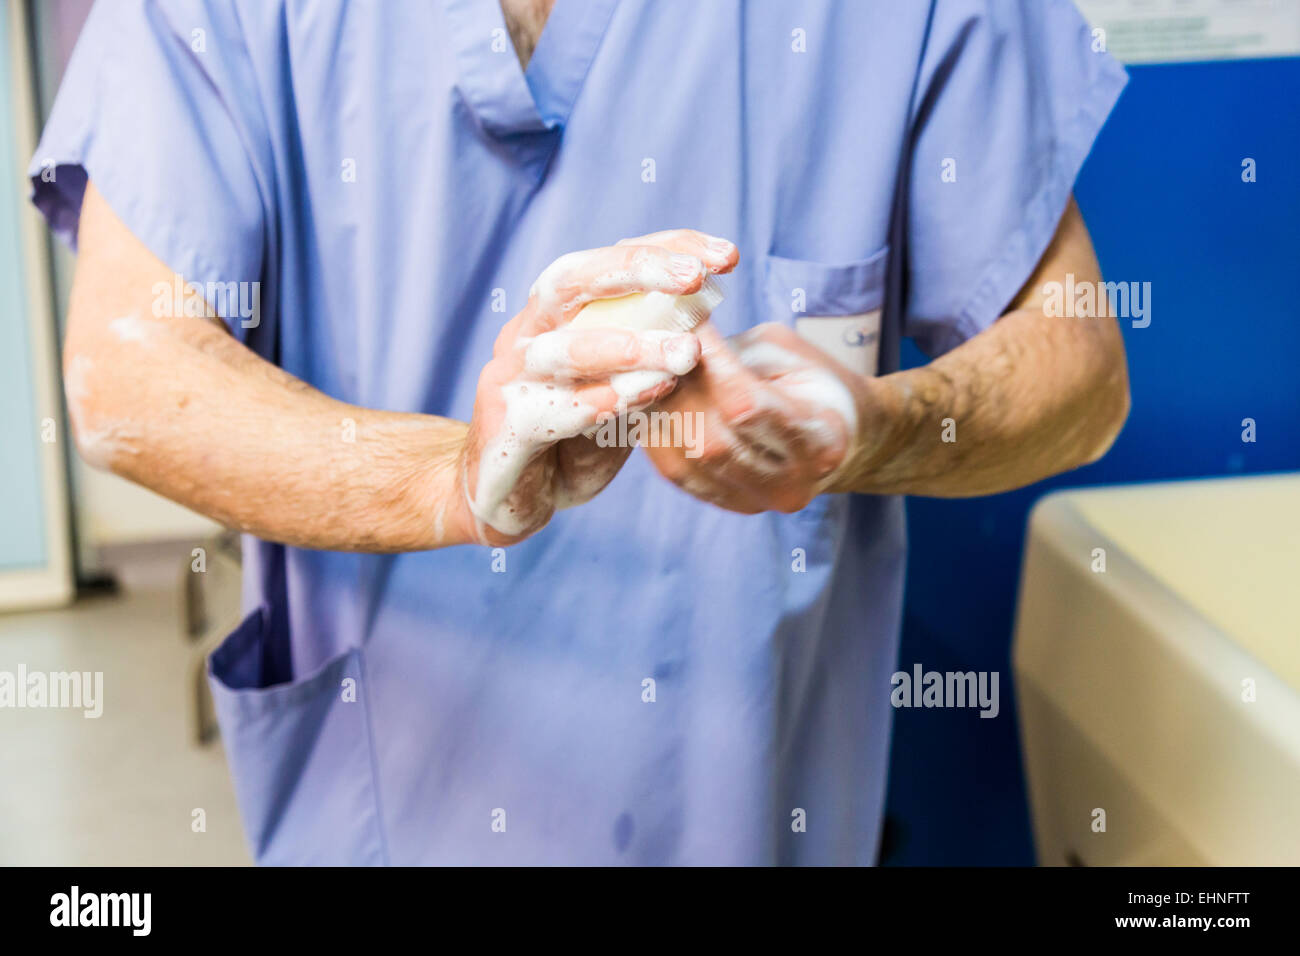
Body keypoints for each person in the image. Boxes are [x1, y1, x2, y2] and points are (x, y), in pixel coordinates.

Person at [31, 0, 1130, 864]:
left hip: (754, 807)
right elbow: (128, 372)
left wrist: (875, 426)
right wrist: (449, 481)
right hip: (388, 808)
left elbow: (1077, 362)